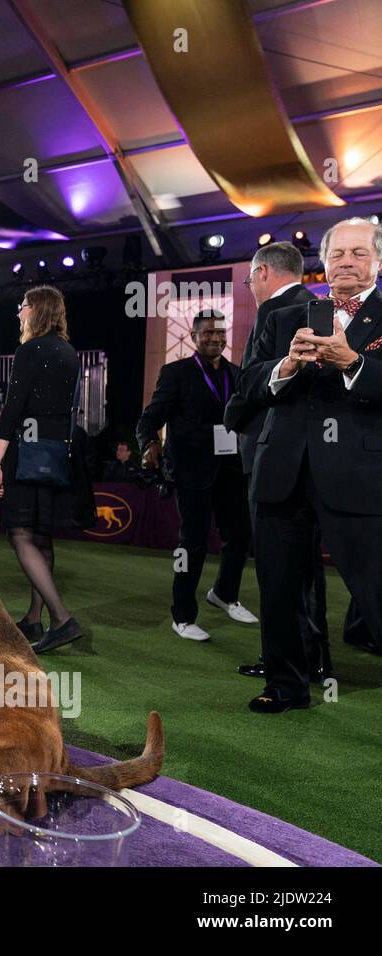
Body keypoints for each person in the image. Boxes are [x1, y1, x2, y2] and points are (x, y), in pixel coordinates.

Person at [235, 216, 382, 713]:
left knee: (374, 588)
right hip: (283, 470)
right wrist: (285, 367)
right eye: (338, 253)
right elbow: (248, 385)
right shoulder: (287, 315)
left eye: (359, 253)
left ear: (378, 261)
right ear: (323, 261)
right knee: (278, 588)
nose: (347, 262)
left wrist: (352, 363)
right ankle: (286, 685)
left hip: (360, 478)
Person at [224, 242, 327, 681]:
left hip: (275, 459)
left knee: (278, 568)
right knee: (303, 570)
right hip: (306, 459)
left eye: (250, 279)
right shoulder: (314, 307)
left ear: (263, 272)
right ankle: (310, 658)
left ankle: (286, 665)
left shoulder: (277, 312)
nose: (250, 287)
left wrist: (232, 413)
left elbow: (252, 383)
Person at [137, 310, 254, 643]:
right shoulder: (176, 373)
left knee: (241, 537)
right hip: (191, 473)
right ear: (193, 336)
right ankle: (183, 616)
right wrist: (147, 444)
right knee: (192, 544)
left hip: (231, 469)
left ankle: (225, 594)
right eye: (208, 334)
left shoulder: (237, 373)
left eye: (220, 333)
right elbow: (151, 416)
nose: (215, 338)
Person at [0, 285, 93, 654]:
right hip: (56, 454)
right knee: (42, 536)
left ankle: (61, 619)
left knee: (20, 534)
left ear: (37, 310)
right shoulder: (68, 352)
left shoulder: (29, 350)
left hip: (27, 450)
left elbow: (15, 405)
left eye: (23, 306)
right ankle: (35, 619)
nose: (19, 313)